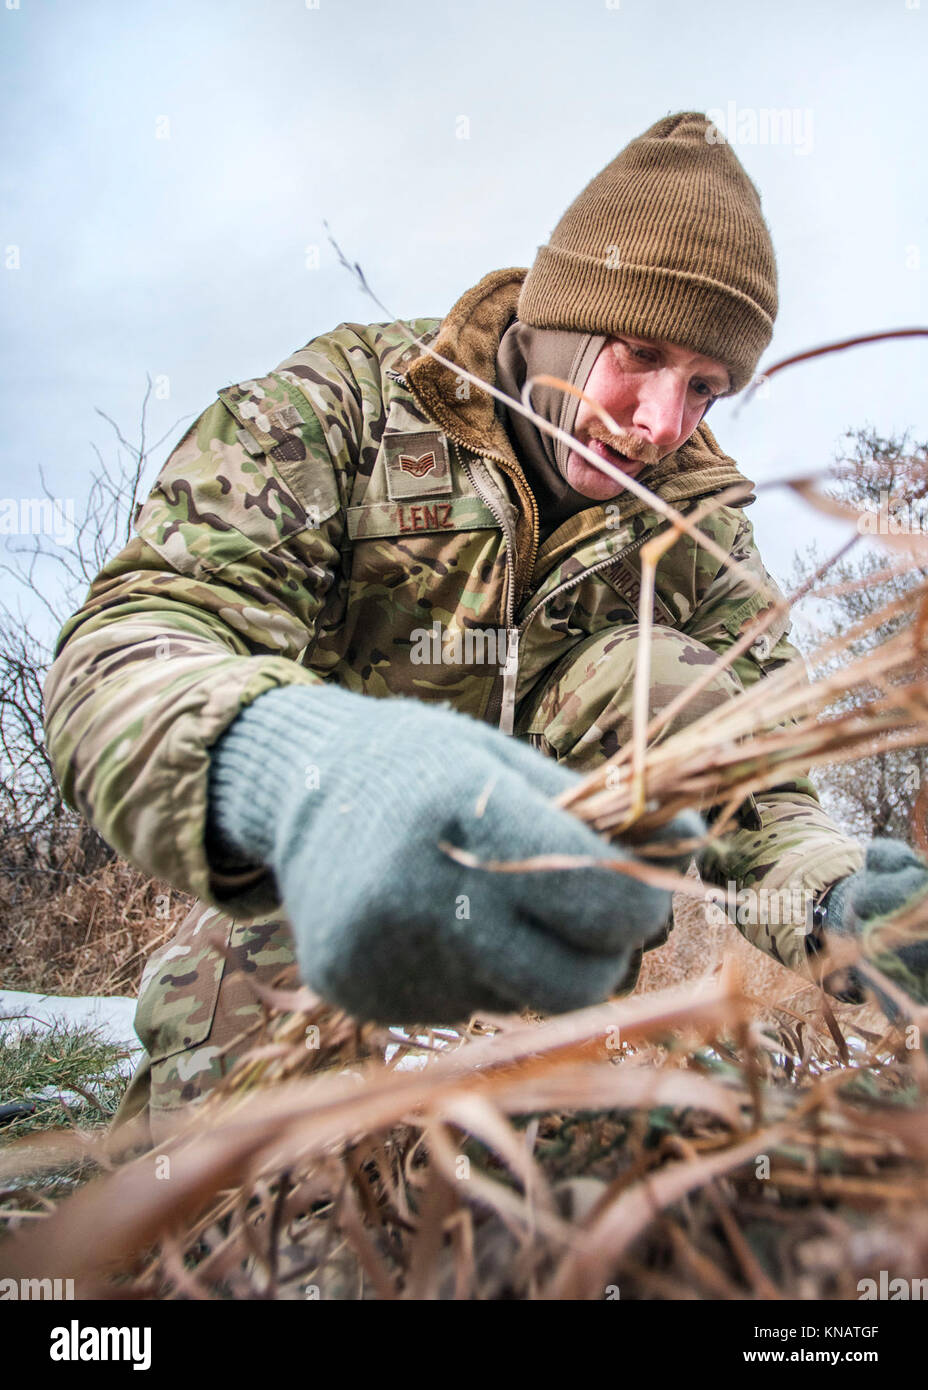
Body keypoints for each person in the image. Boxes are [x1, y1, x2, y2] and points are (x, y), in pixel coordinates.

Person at [43, 112, 928, 1147]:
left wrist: (832, 901)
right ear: (561, 321)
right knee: (238, 1243)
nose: (660, 422)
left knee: (654, 674)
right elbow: (131, 643)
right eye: (638, 354)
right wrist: (302, 772)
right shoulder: (347, 406)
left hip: (548, 969)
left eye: (703, 386)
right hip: (294, 941)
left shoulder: (696, 530)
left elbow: (762, 778)